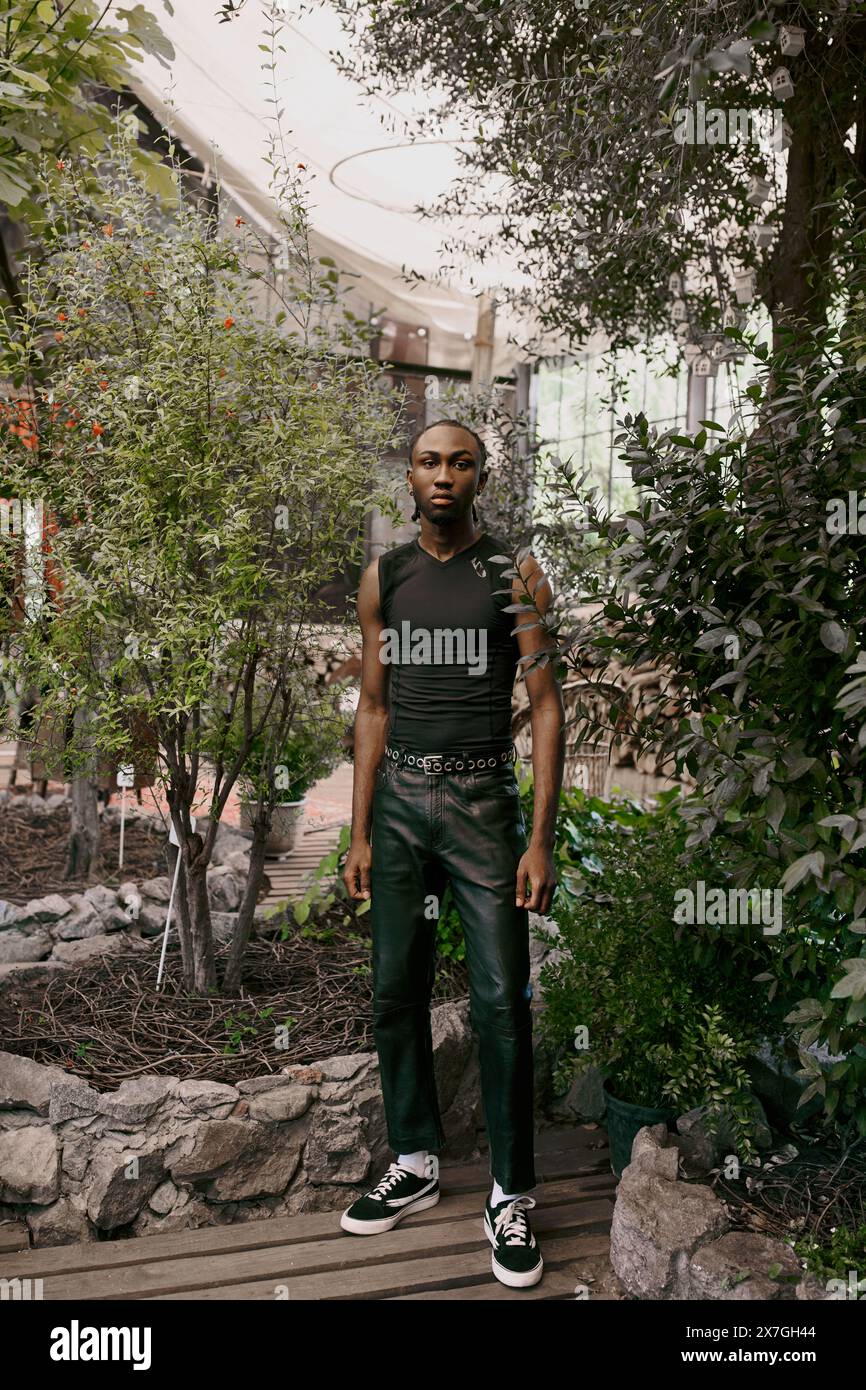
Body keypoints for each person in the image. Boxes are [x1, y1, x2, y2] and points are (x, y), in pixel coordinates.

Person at [340, 418, 565, 1289]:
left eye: (460, 463)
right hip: (399, 800)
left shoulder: (515, 574)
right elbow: (372, 706)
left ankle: (510, 1194)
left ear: (480, 476)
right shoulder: (385, 577)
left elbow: (545, 707)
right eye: (429, 462)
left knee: (503, 998)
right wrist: (360, 830)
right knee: (395, 987)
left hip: (481, 807)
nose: (444, 476)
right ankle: (416, 1157)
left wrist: (539, 838)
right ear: (409, 477)